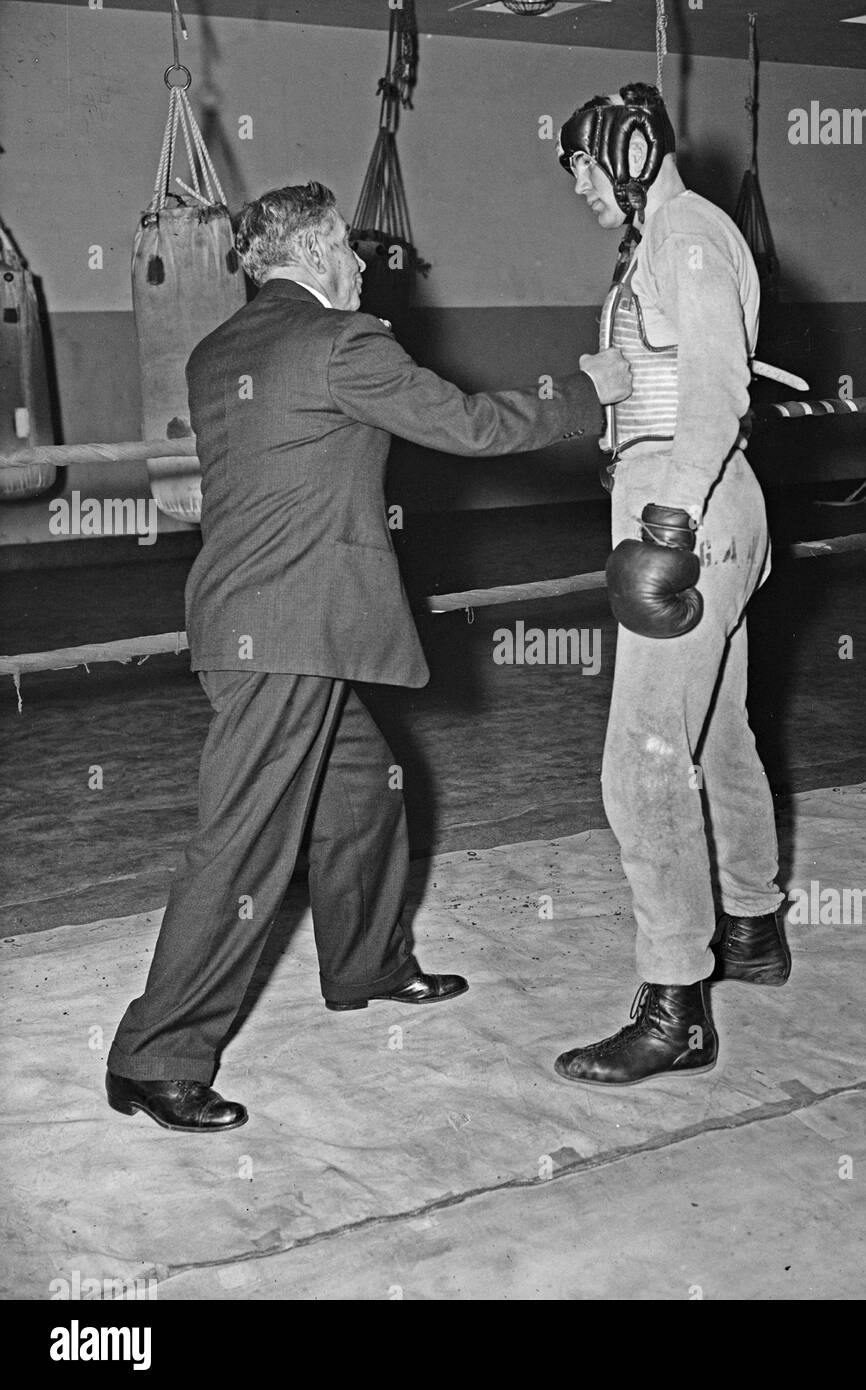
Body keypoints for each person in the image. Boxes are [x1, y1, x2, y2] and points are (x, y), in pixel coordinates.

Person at [106, 181, 631, 1131]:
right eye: (348, 253)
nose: (360, 269)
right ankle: (157, 1055)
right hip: (290, 632)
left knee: (368, 786)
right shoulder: (341, 342)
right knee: (246, 841)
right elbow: (471, 426)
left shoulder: (219, 350)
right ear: (310, 255)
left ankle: (367, 967)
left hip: (248, 620)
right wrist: (590, 395)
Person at [552, 84, 789, 1088]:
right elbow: (664, 373)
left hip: (687, 500)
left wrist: (668, 520)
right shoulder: (659, 240)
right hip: (685, 491)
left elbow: (717, 392)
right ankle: (748, 925)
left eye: (585, 171)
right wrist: (610, 394)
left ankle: (673, 1003)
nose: (581, 192)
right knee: (717, 734)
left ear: (632, 149)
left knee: (641, 761)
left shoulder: (687, 233)